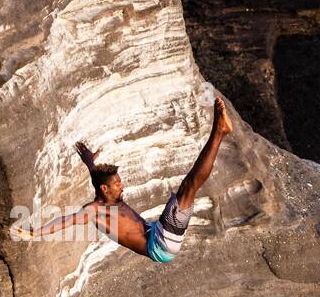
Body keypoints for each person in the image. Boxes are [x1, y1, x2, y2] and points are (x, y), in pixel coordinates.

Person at [14, 97, 233, 263]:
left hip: (157, 234)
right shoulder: (94, 211)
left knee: (188, 189)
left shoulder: (109, 196)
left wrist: (90, 162)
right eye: (117, 184)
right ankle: (219, 131)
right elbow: (66, 221)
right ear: (105, 189)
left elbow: (98, 180)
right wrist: (35, 234)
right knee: (189, 186)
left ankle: (220, 131)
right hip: (160, 245)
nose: (122, 186)